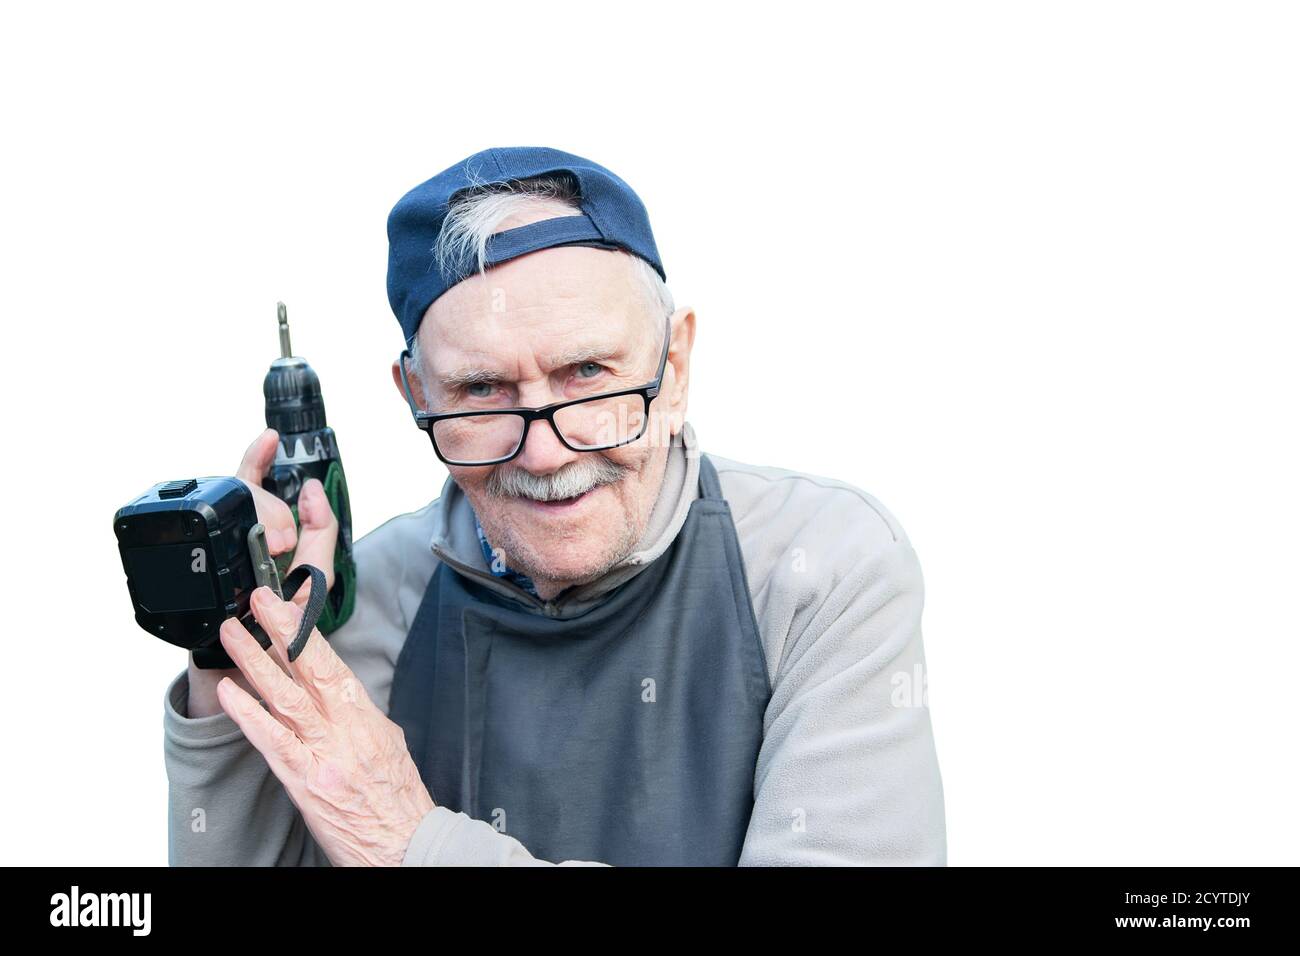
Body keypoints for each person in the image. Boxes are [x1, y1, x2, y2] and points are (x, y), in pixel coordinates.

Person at [163, 146, 947, 866]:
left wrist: (412, 843)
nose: (546, 454)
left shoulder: (823, 570)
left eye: (587, 373)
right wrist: (228, 657)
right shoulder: (363, 598)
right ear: (415, 396)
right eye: (481, 391)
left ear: (674, 366)